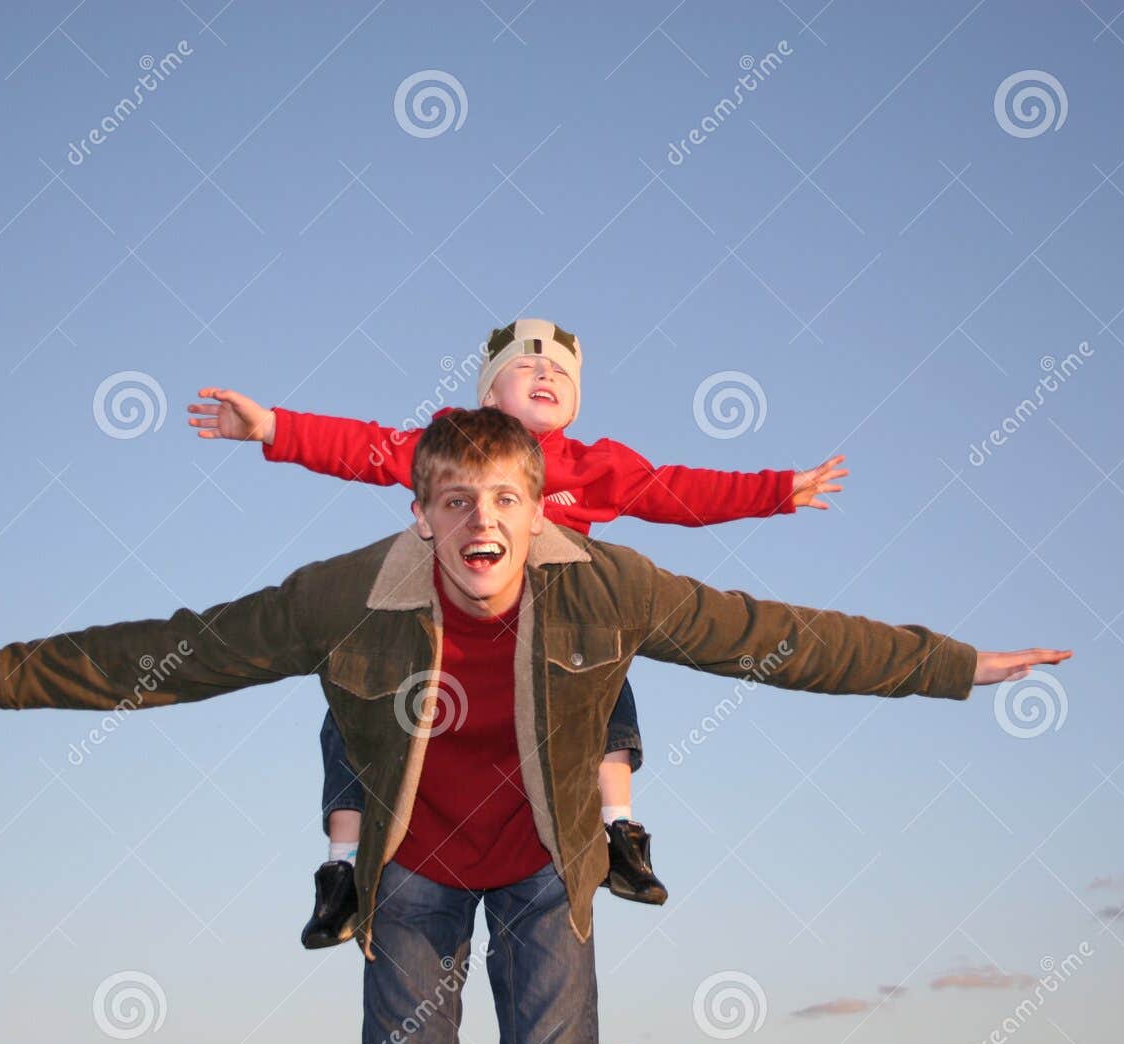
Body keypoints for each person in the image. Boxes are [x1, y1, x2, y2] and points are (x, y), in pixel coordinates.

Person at [0, 407, 1071, 1044]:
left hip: (548, 864)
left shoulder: (608, 584)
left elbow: (783, 636)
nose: (481, 520)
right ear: (422, 513)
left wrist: (955, 665)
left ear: (538, 508)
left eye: (504, 498)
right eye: (456, 499)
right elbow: (182, 650)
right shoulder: (348, 592)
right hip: (409, 866)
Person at [186, 318, 850, 948]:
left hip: (549, 641)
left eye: (561, 370)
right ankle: (343, 868)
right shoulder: (452, 449)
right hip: (450, 628)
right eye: (526, 365)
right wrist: (272, 426)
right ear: (487, 392)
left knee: (605, 665)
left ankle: (618, 830)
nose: (545, 373)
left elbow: (679, 491)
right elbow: (368, 447)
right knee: (356, 698)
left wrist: (780, 489)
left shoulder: (595, 466)